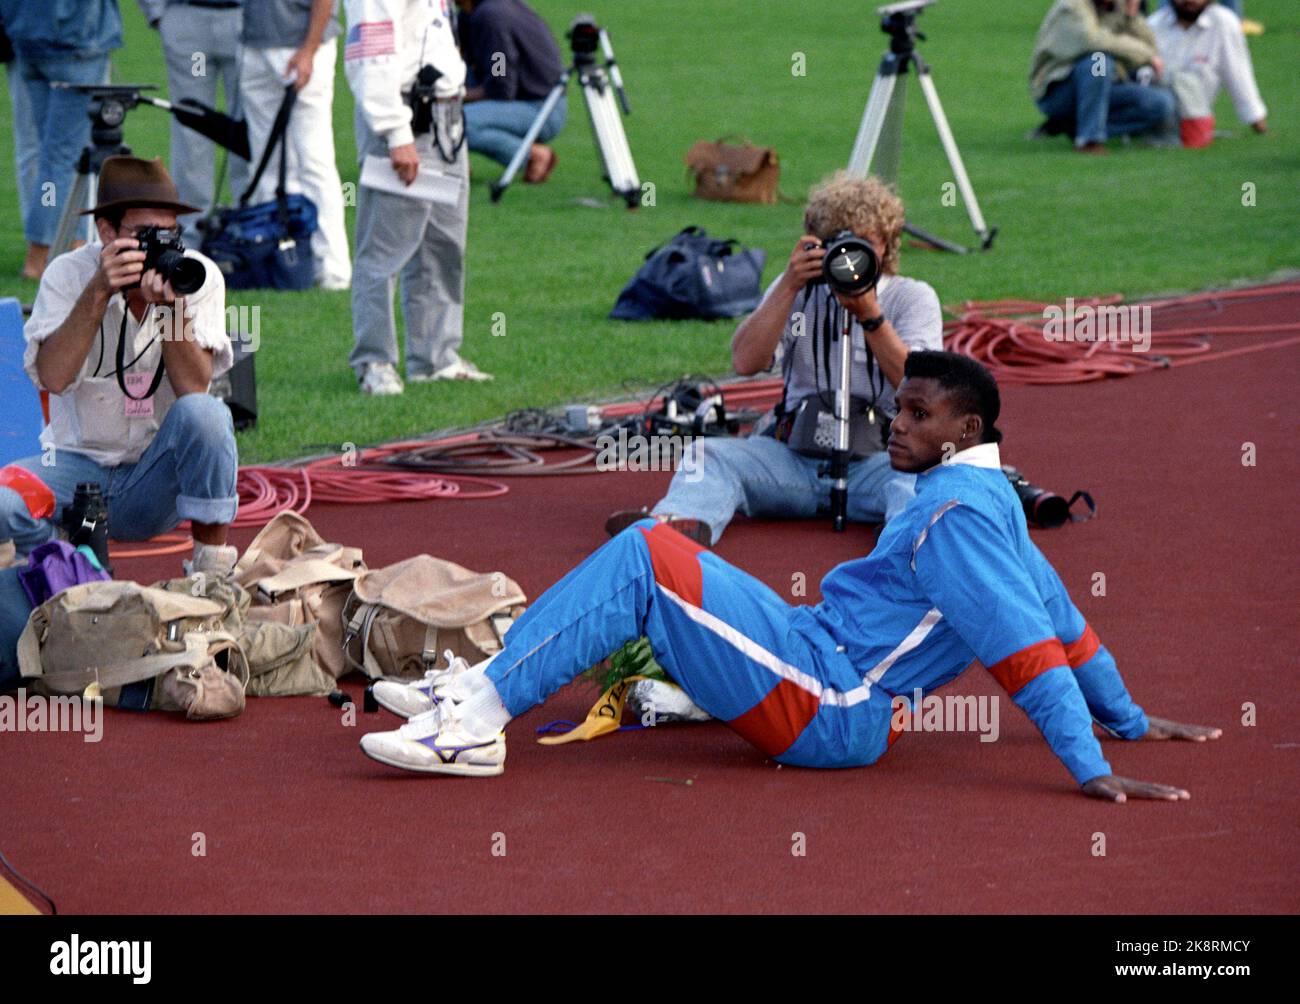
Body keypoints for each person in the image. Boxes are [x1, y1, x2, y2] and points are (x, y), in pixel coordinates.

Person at [359, 351, 1221, 798]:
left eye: (919, 415)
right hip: (814, 656)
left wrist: (1089, 765)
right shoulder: (984, 497)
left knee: (648, 556)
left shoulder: (959, 517)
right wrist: (1127, 718)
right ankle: (481, 686)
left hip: (834, 707)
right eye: (899, 407)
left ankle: (478, 723)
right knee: (654, 554)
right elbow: (1071, 623)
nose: (896, 425)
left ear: (967, 432)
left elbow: (1031, 650)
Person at [606, 172, 942, 546]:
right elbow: (745, 362)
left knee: (926, 477)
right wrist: (788, 285)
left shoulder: (912, 298)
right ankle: (670, 533)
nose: (849, 257)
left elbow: (922, 392)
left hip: (881, 461)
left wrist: (870, 315)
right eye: (840, 242)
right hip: (794, 460)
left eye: (865, 243)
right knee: (707, 456)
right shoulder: (794, 291)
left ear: (887, 246)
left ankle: (905, 544)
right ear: (818, 243)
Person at [0, 156, 240, 575]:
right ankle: (62, 565)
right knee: (4, 503)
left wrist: (170, 311)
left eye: (169, 234)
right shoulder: (66, 275)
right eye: (146, 235)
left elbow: (193, 390)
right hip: (74, 469)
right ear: (106, 231)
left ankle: (212, 570)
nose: (160, 247)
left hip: (155, 475)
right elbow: (54, 377)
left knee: (208, 414)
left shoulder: (197, 276)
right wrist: (99, 290)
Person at [344, 0, 492, 396]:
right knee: (383, 251)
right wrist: (396, 133)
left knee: (442, 247)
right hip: (407, 116)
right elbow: (370, 53)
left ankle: (435, 358)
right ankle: (374, 362)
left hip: (446, 114)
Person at [0, 0, 122, 280]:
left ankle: (72, 246)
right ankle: (39, 253)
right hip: (76, 45)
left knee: (52, 155)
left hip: (28, 43)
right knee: (59, 160)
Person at [239, 0, 352, 290]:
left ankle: (333, 269)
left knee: (314, 161)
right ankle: (275, 258)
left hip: (301, 46)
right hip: (255, 42)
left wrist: (309, 50)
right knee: (265, 163)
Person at [137, 1, 249, 241]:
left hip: (245, 19)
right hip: (190, 23)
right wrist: (157, 13)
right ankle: (190, 235)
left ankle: (252, 229)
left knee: (248, 132)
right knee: (192, 129)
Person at [1030, 0, 1176, 154]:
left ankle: (1074, 127)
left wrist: (1131, 17)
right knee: (1099, 61)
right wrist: (1146, 55)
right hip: (1058, 90)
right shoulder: (1072, 5)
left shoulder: (1118, 7)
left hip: (1103, 85)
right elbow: (1093, 40)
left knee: (1161, 104)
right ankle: (1088, 140)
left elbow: (1152, 48)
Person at [455, 0, 565, 184]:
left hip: (541, 108)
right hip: (519, 98)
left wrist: (454, 96)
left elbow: (501, 85)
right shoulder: (470, 13)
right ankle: (456, 162)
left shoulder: (492, 16)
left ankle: (532, 156)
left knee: (457, 124)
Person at [1148, 0, 1267, 148]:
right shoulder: (1154, 25)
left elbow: (1239, 75)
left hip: (1194, 114)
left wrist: (1258, 123)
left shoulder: (1224, 22)